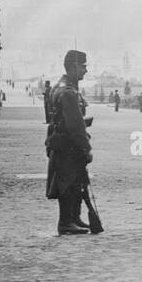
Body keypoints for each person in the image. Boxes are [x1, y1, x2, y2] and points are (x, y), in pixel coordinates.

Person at [46, 50, 93, 235]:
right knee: (68, 181)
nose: (85, 71)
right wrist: (86, 147)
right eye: (83, 66)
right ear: (73, 67)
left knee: (75, 180)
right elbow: (75, 125)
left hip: (61, 142)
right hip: (68, 144)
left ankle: (74, 218)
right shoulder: (68, 92)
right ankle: (66, 221)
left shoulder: (61, 87)